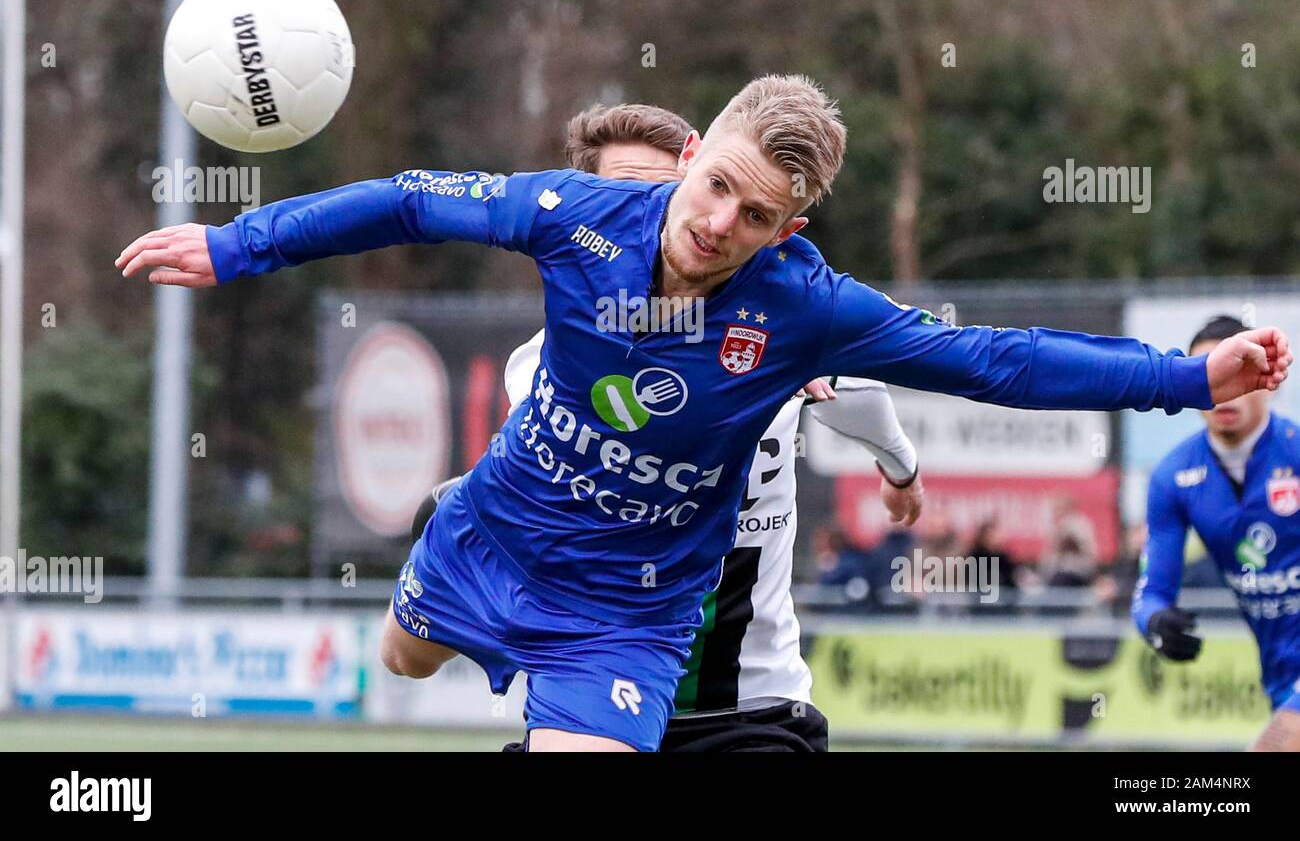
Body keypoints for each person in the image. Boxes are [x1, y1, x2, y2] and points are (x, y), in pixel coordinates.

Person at [118, 74, 1291, 751]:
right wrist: (237, 241)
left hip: (625, 610)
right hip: (494, 528)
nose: (717, 220)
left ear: (789, 230)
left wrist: (1191, 379)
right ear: (693, 151)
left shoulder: (812, 310)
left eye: (755, 213)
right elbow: (413, 202)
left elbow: (995, 360)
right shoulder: (572, 213)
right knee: (404, 654)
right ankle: (442, 535)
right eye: (715, 181)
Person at [411, 102, 924, 751]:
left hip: (751, 716)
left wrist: (901, 471)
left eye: (659, 196)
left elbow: (867, 398)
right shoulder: (542, 368)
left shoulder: (775, 335)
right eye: (616, 198)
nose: (647, 223)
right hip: (589, 714)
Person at [1133, 314, 1300, 752]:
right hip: (1281, 677)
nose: (1222, 390)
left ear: (1268, 380)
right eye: (1206, 378)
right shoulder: (1174, 477)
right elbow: (1151, 594)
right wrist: (1155, 623)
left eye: (1237, 373)